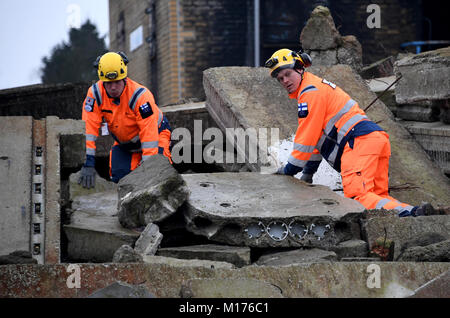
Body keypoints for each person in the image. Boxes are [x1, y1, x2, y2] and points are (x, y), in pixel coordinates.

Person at [265, 48, 434, 217]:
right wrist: (308, 174)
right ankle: (419, 213)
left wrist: (289, 170)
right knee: (377, 197)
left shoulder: (309, 93)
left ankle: (412, 213)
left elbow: (307, 137)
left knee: (357, 197)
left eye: (288, 74)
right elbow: (316, 141)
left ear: (300, 68)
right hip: (374, 140)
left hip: (358, 143)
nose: (285, 80)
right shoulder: (315, 86)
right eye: (280, 78)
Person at [78, 51, 172, 188]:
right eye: (108, 83)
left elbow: (149, 136)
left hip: (156, 136)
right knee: (120, 179)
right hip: (126, 144)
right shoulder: (95, 95)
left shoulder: (140, 97)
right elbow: (89, 130)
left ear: (124, 78)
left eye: (117, 82)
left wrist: (149, 169)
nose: (113, 87)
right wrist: (88, 163)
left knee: (159, 176)